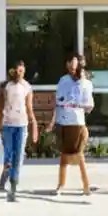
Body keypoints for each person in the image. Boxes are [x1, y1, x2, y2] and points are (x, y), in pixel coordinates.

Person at [46, 53, 94, 198]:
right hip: (63, 122)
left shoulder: (86, 84)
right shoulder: (63, 80)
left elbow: (90, 106)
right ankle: (61, 185)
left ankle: (86, 185)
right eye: (71, 68)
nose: (73, 71)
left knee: (79, 155)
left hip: (77, 123)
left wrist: (78, 104)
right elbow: (58, 101)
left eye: (75, 68)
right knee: (64, 157)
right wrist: (52, 122)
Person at [0, 59, 36, 202]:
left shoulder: (27, 87)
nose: (20, 74)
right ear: (12, 71)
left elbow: (29, 108)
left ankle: (13, 188)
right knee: (9, 156)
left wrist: (34, 125)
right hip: (8, 125)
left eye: (22, 71)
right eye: (18, 71)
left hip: (22, 125)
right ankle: (4, 177)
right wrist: (0, 126)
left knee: (18, 156)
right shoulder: (4, 86)